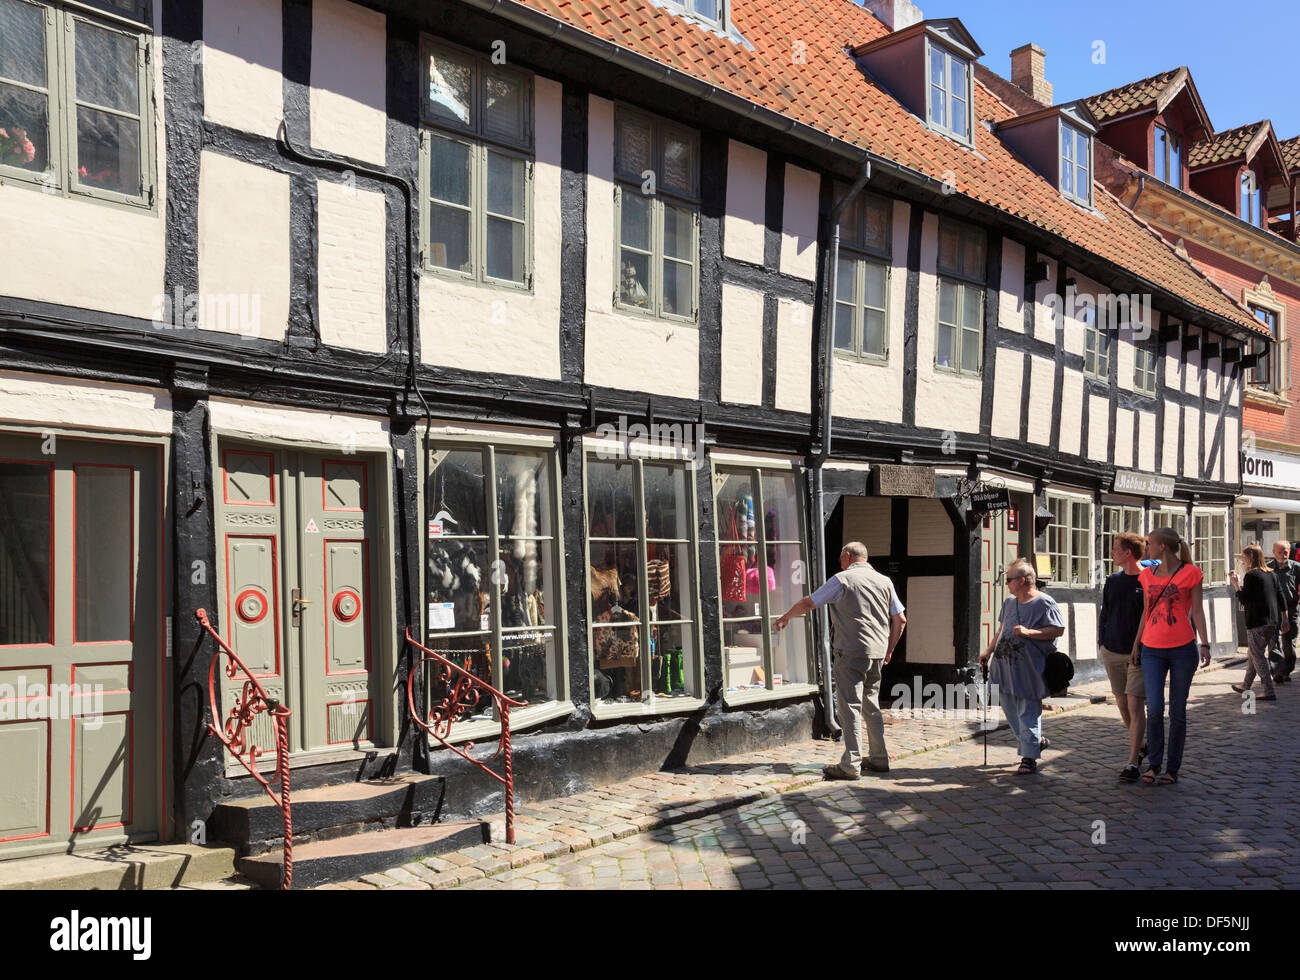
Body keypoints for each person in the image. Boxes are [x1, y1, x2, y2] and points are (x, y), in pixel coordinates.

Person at [774, 542, 905, 780]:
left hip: (851, 651)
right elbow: (900, 620)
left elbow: (809, 602)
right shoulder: (885, 581)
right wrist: (889, 650)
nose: (839, 561)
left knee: (849, 707)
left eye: (840, 557)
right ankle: (878, 758)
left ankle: (850, 763)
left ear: (847, 556)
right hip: (876, 652)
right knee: (871, 706)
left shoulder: (843, 580)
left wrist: (786, 617)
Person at [1130, 527, 1210, 786]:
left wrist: (1205, 643)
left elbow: (1197, 611)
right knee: (1153, 709)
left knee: (1177, 711)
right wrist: (1136, 644)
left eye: (1150, 544)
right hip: (1151, 648)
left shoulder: (1191, 573)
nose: (1147, 548)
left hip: (1182, 649)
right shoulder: (1147, 574)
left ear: (1162, 546)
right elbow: (1145, 612)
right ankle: (1154, 764)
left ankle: (1171, 769)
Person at [978, 558, 1065, 775]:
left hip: (1029, 668)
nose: (1006, 583)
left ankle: (1029, 757)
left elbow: (1057, 630)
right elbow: (1001, 630)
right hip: (1003, 666)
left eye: (1009, 579)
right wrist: (988, 651)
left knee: (1028, 711)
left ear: (1023, 580)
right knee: (1010, 710)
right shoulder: (1009, 602)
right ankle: (1034, 743)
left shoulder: (1045, 602)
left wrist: (1029, 632)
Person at [1099, 532, 1148, 782]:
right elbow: (1105, 612)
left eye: (1115, 549)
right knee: (1121, 704)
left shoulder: (1147, 581)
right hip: (1112, 650)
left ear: (1128, 553)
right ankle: (1141, 745)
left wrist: (1140, 646)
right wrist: (1101, 642)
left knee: (1134, 703)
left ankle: (1132, 762)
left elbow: (1148, 618)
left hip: (1137, 653)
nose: (1112, 553)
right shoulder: (1112, 580)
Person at [1229, 545, 1280, 702]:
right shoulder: (1271, 574)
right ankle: (1246, 685)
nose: (1243, 560)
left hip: (1257, 621)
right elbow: (1279, 596)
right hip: (1272, 621)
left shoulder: (1251, 575)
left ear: (1250, 556)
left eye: (1244, 557)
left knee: (1258, 656)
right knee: (1253, 653)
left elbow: (1245, 600)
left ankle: (1268, 690)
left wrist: (1236, 584)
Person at [1267, 541, 1299, 683]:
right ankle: (1277, 672)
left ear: (1289, 552)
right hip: (1273, 610)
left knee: (1289, 643)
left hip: (1292, 609)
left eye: (1285, 551)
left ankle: (1286, 669)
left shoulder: (1297, 568)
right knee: (1273, 641)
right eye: (1279, 552)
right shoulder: (1267, 568)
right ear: (1274, 552)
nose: (1283, 554)